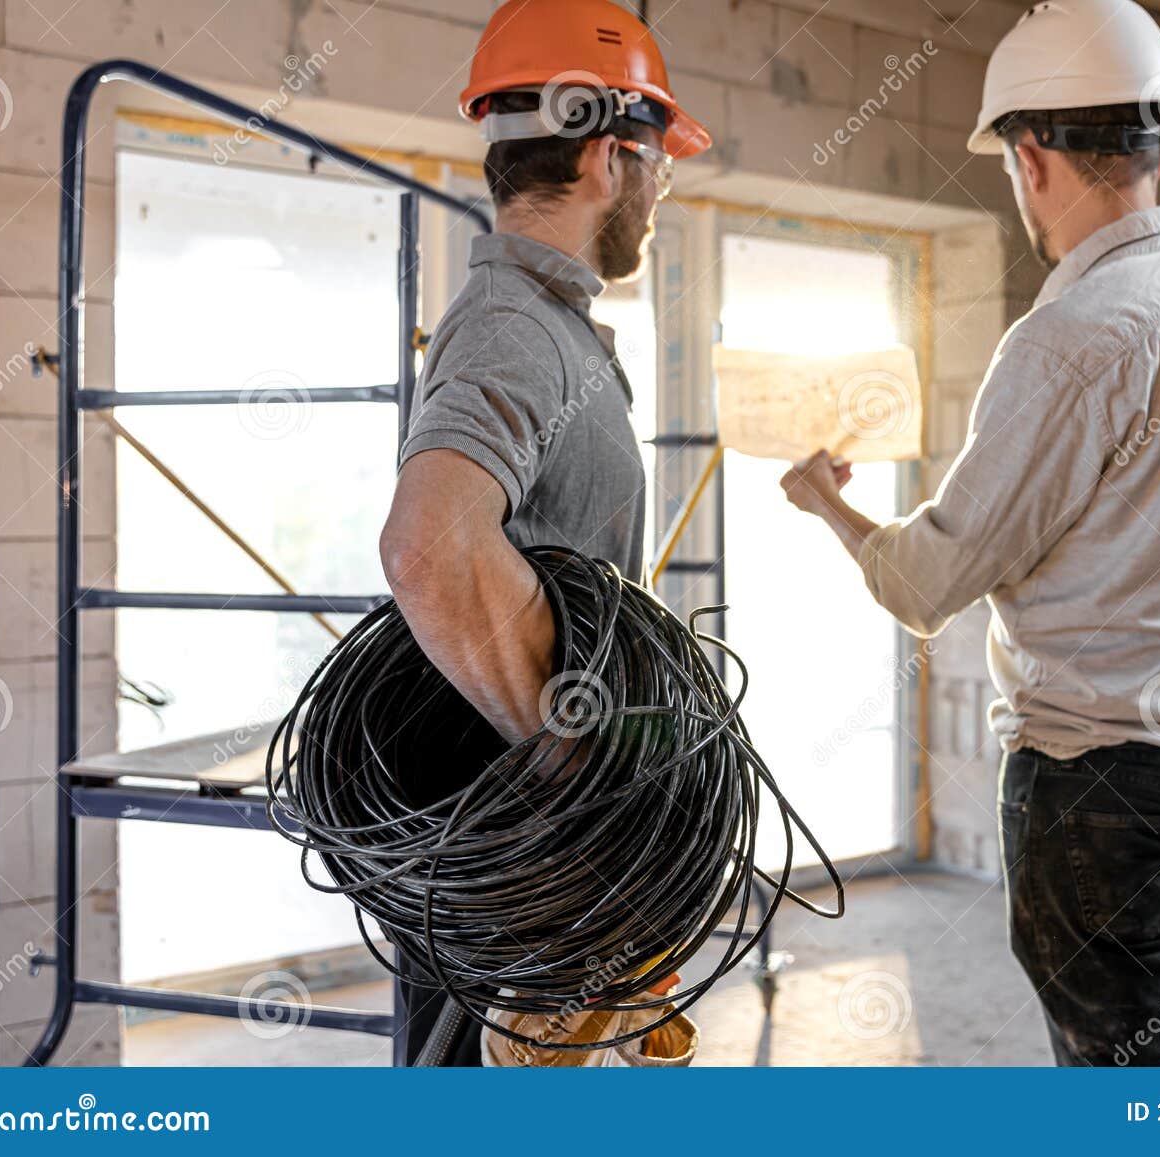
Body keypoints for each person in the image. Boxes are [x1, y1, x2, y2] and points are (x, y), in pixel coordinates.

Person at [780, 0, 1160, 1066]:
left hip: (1095, 793)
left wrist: (826, 501)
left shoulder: (1064, 342)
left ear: (1029, 156)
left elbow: (924, 581)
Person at [377, 0, 709, 1065]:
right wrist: (579, 765)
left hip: (522, 843)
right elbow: (428, 546)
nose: (659, 196)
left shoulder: (546, 325)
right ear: (611, 158)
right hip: (506, 845)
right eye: (659, 163)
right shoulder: (517, 326)